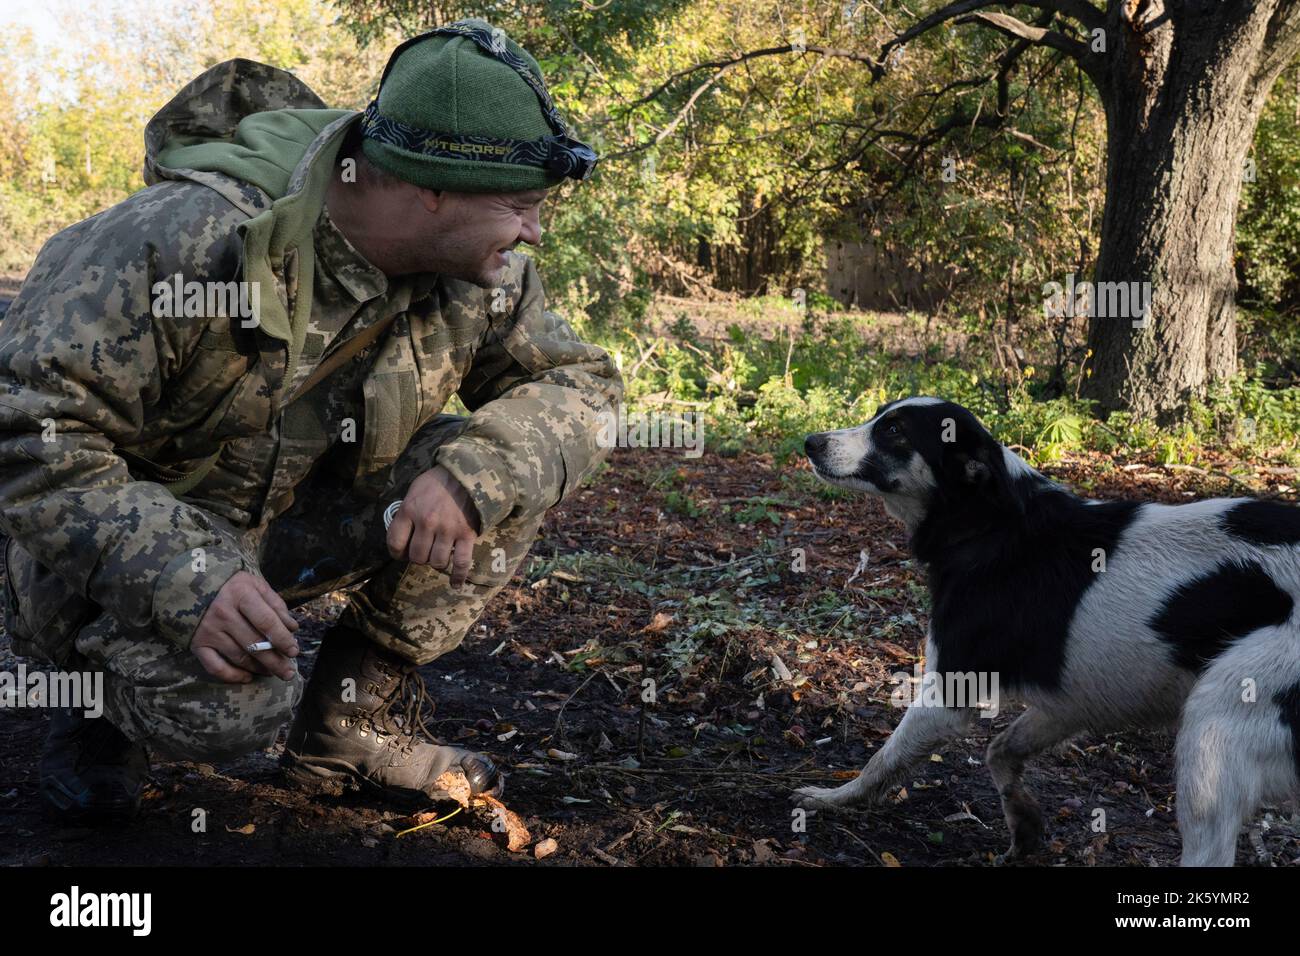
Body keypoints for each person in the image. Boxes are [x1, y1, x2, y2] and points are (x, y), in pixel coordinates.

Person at [0, 18, 621, 823]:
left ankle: (347, 727)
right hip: (129, 547)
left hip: (282, 521)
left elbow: (585, 388)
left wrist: (477, 477)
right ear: (428, 186)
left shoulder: (481, 274)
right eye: (520, 206)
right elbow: (29, 435)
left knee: (504, 473)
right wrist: (182, 577)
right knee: (233, 707)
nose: (534, 231)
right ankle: (98, 707)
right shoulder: (178, 243)